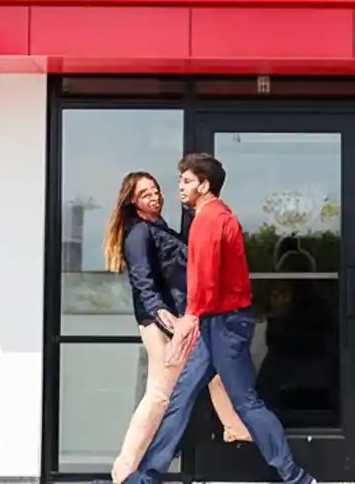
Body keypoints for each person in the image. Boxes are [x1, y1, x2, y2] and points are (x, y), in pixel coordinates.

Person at [124, 154, 316, 484]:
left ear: (204, 184)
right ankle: (145, 478)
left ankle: (296, 477)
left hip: (225, 325)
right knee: (180, 399)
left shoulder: (210, 220)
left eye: (186, 181)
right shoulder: (209, 217)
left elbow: (207, 279)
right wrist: (195, 320)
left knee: (246, 403)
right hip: (214, 323)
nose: (179, 187)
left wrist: (189, 320)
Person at [102, 171, 251, 484]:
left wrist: (191, 205)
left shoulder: (159, 228)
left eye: (155, 190)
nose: (154, 197)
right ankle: (125, 470)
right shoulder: (139, 233)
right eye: (145, 194)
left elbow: (187, 254)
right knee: (159, 394)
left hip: (178, 318)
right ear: (132, 201)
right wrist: (160, 313)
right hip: (162, 324)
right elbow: (142, 279)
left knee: (210, 368)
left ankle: (234, 426)